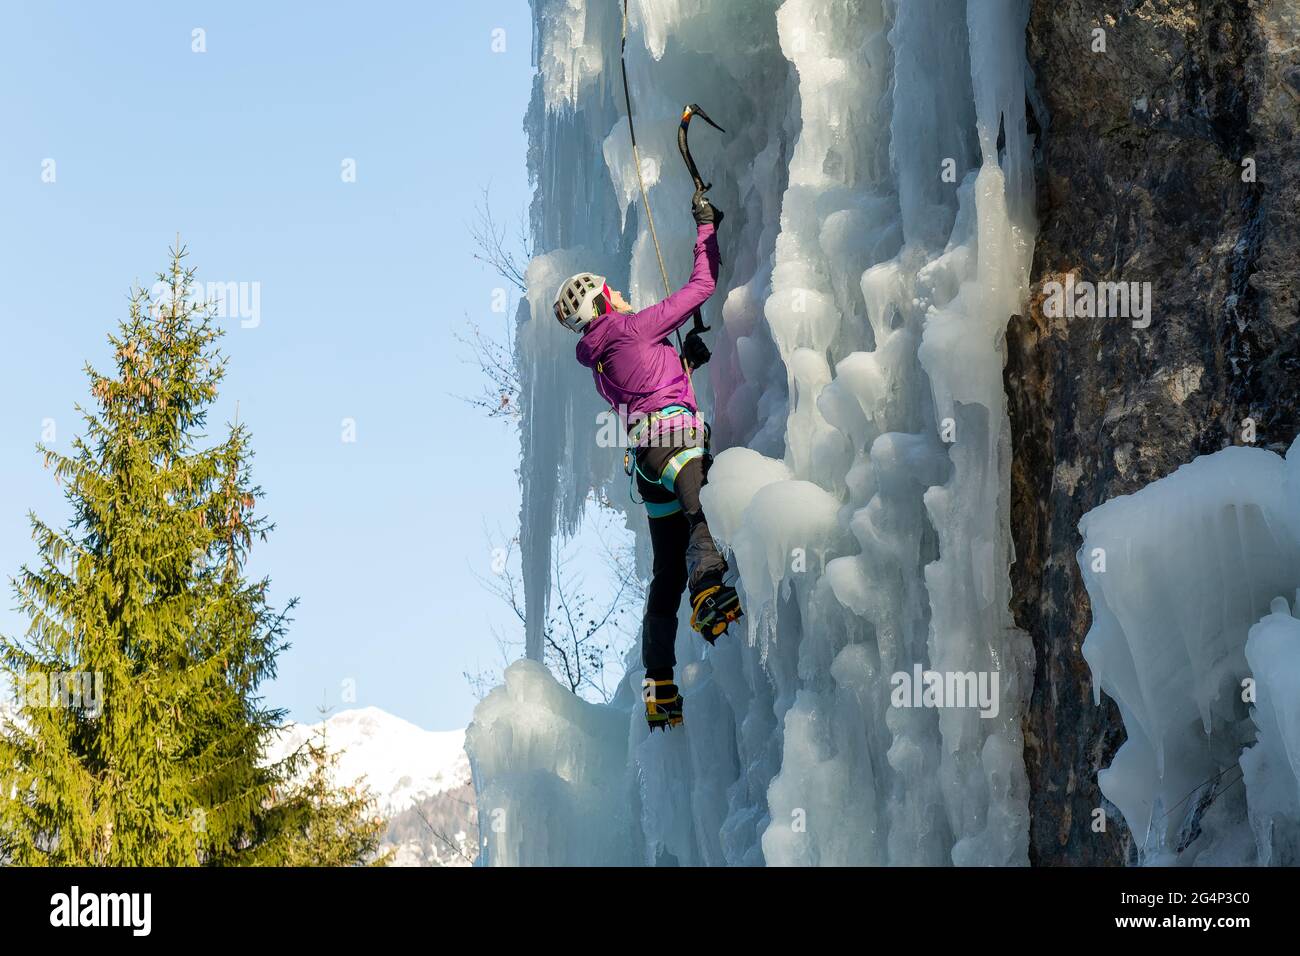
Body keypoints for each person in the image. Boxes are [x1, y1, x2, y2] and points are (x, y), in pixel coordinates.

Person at [552, 189, 742, 731]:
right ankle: (709, 590)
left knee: (664, 574)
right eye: (612, 291)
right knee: (703, 512)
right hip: (677, 444)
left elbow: (646, 379)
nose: (620, 293)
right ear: (605, 303)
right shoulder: (631, 327)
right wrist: (706, 226)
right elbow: (701, 286)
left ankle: (659, 682)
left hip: (647, 463)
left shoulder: (600, 361)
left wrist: (683, 359)